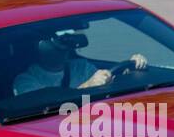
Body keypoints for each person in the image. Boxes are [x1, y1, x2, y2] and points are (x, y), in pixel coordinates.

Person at [13, 34, 147, 95]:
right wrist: (87, 86)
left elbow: (104, 84)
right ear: (40, 46)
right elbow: (47, 107)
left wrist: (130, 70)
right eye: (56, 40)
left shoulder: (81, 66)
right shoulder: (25, 81)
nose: (64, 46)